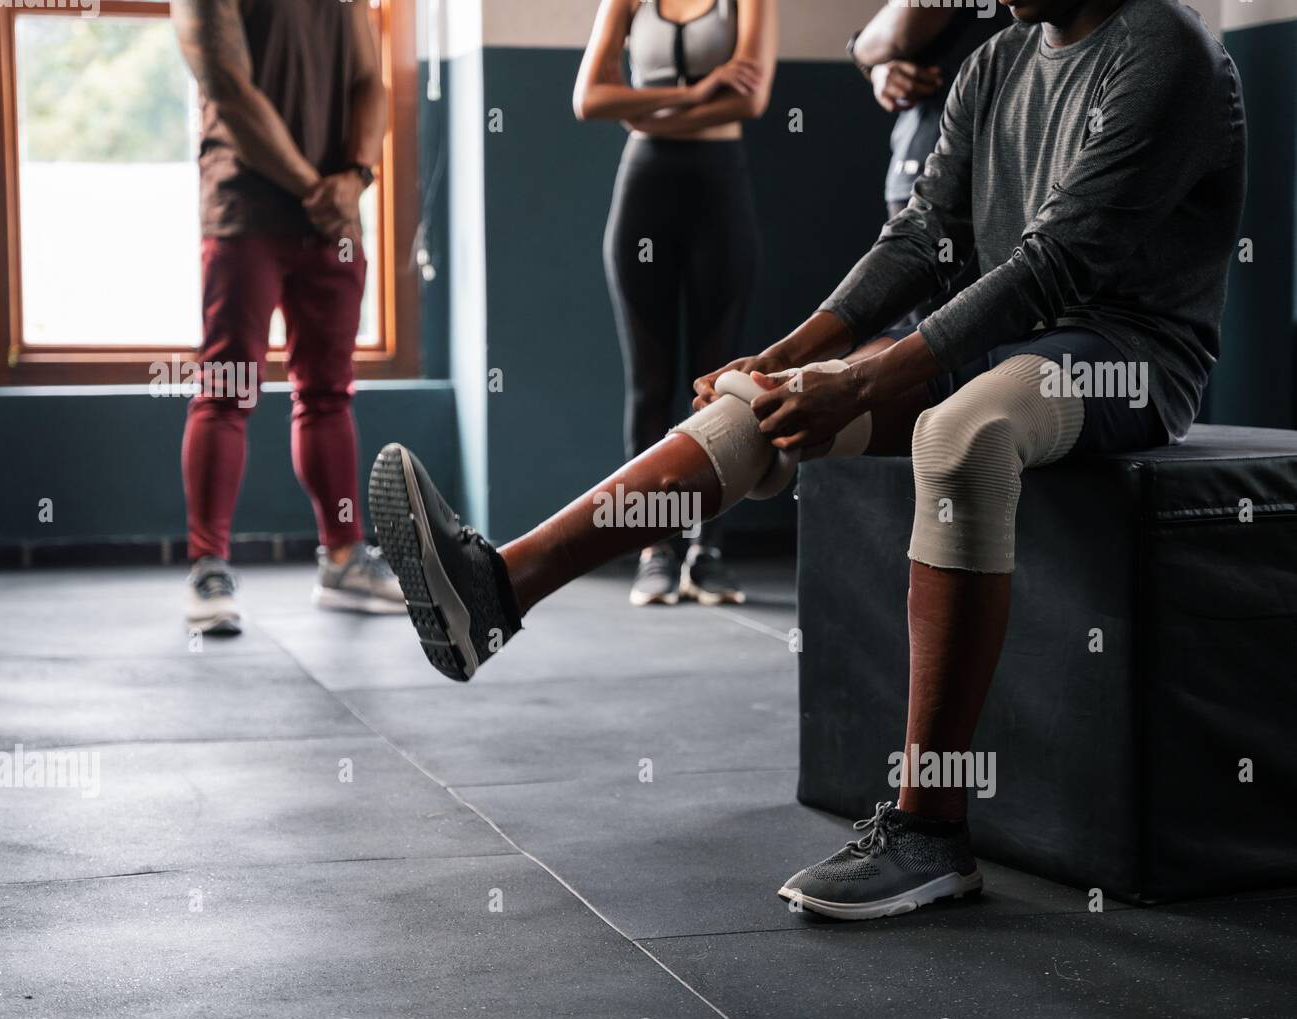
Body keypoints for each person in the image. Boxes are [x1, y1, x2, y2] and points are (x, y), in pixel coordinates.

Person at [371, 0, 1245, 921]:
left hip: (1127, 357)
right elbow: (920, 236)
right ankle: (499, 589)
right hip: (1005, 338)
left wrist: (864, 383)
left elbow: (1055, 263)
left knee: (962, 433)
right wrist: (787, 357)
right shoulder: (997, 64)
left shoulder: (1167, 49)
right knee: (759, 410)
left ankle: (929, 830)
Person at [173, 0, 404, 635]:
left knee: (329, 393)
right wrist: (318, 188)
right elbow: (228, 86)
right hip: (246, 209)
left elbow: (367, 81)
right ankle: (209, 569)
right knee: (226, 390)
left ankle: (343, 559)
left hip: (335, 215)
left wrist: (355, 178)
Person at [574, 0, 778, 606]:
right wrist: (696, 95)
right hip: (645, 189)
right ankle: (653, 548)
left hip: (718, 185)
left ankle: (707, 548)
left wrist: (648, 108)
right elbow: (588, 99)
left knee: (721, 384)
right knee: (649, 383)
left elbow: (752, 99)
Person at [849, 0, 1012, 330]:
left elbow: (896, 36)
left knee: (941, 352)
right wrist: (869, 57)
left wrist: (862, 50)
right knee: (924, 349)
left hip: (972, 162)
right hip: (939, 161)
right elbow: (896, 36)